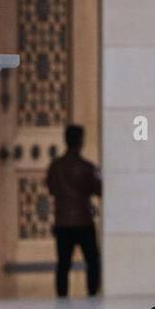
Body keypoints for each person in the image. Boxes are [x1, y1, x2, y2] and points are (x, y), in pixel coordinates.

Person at [46, 124, 102, 297]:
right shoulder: (87, 167)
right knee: (92, 261)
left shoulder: (55, 167)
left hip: (62, 221)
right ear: (80, 141)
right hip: (84, 221)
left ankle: (62, 297)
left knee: (63, 263)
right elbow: (98, 190)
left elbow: (51, 188)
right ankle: (92, 294)